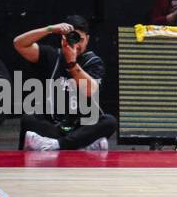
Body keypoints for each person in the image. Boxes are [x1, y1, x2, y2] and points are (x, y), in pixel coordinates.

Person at [14, 17, 116, 152]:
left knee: (109, 122)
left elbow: (90, 91)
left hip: (82, 125)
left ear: (88, 39)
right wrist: (50, 29)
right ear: (63, 38)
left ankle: (57, 145)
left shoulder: (93, 62)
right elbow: (19, 44)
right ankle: (81, 145)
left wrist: (72, 63)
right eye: (73, 38)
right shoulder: (52, 55)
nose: (77, 45)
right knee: (29, 119)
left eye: (81, 39)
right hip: (55, 125)